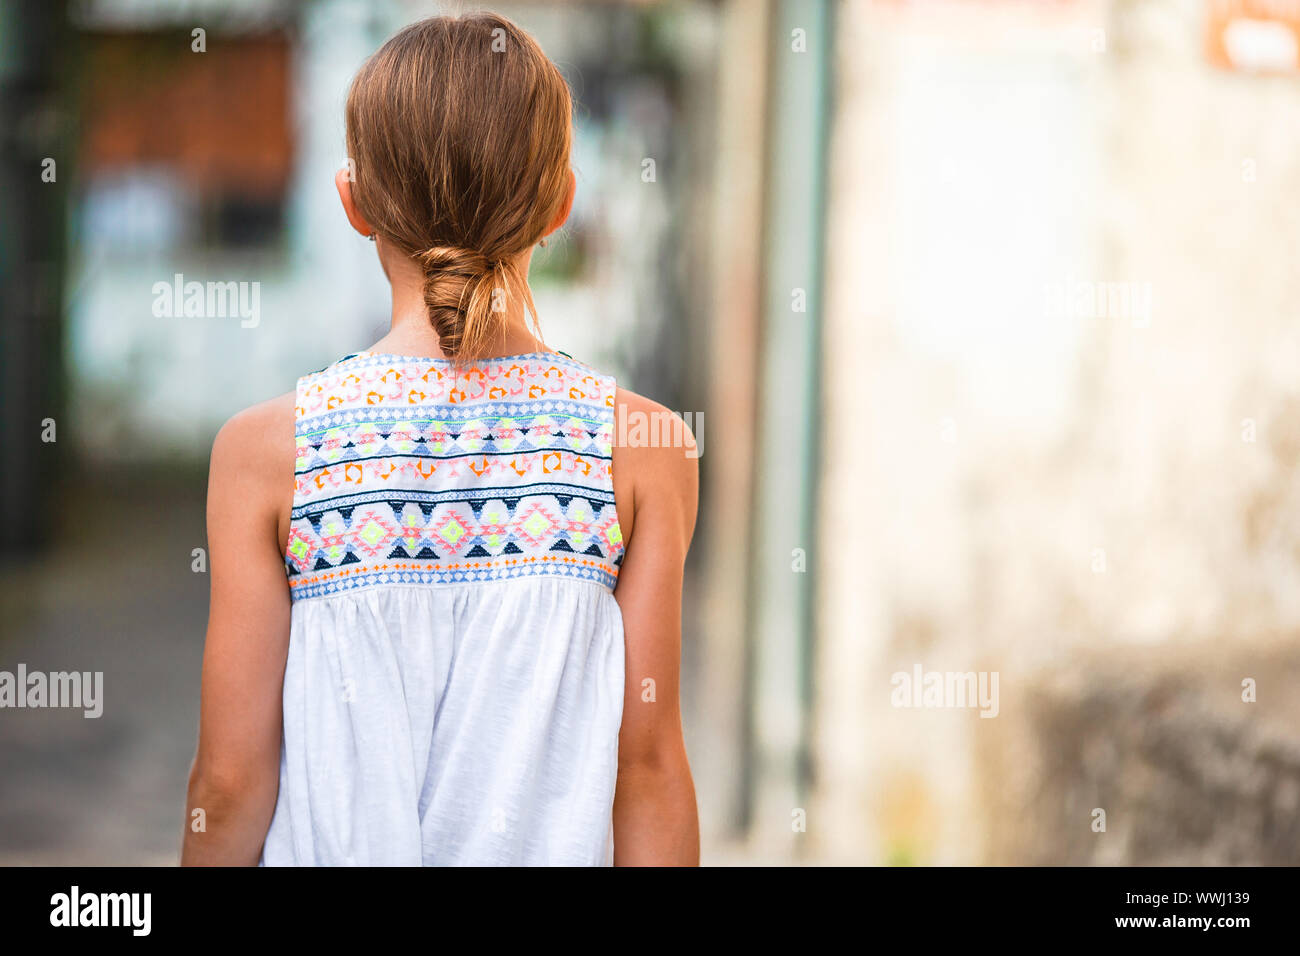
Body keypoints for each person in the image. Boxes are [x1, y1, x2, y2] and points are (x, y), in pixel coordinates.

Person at [181, 12, 698, 866]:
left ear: (352, 203)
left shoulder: (267, 452)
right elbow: (647, 770)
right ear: (561, 203)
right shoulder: (639, 446)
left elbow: (231, 781)